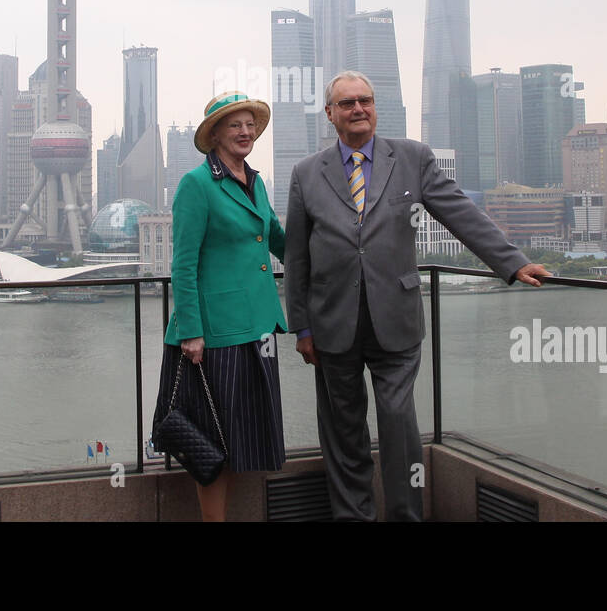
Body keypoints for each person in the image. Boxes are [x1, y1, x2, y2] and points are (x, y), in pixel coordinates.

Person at [284, 71, 550, 521]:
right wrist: (302, 328)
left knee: (399, 424)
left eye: (365, 100)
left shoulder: (412, 158)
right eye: (347, 103)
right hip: (331, 325)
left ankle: (406, 515)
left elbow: (459, 211)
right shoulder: (306, 173)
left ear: (375, 106)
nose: (358, 109)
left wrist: (511, 262)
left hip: (396, 320)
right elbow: (297, 257)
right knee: (343, 431)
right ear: (330, 113)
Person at [153, 91, 287, 521]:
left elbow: (276, 238)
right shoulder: (196, 185)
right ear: (215, 134)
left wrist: (329, 253)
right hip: (214, 336)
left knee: (242, 437)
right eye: (235, 125)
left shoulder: (256, 181)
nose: (245, 132)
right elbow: (183, 263)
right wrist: (191, 331)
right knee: (213, 440)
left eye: (250, 125)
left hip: (258, 328)